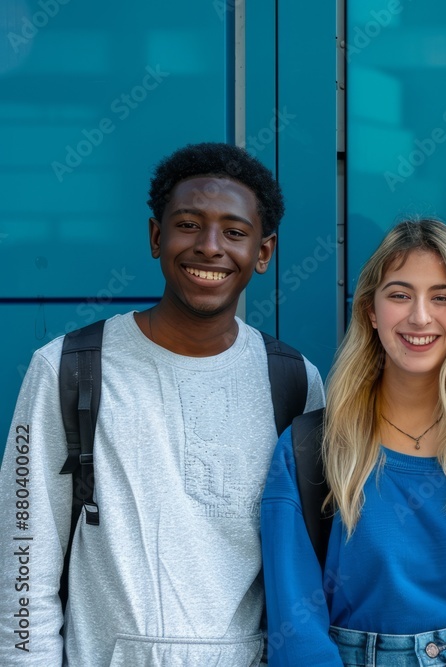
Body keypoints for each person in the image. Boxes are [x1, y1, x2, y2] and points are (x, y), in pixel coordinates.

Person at [0, 142, 325, 665]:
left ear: (263, 253)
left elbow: (306, 564)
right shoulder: (68, 367)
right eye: (189, 224)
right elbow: (23, 556)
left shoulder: (291, 381)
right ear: (156, 236)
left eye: (235, 233)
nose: (210, 247)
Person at [261, 219, 446, 666]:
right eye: (400, 295)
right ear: (370, 310)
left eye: (442, 297)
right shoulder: (308, 450)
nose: (420, 316)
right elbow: (297, 633)